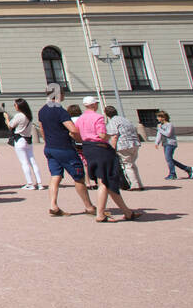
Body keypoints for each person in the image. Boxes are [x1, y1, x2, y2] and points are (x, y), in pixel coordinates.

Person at [74, 95, 141, 222]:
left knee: (107, 181)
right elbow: (102, 135)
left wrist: (84, 139)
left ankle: (127, 212)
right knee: (104, 181)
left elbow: (75, 133)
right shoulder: (98, 117)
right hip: (100, 149)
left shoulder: (80, 119)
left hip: (87, 148)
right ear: (94, 105)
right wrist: (108, 137)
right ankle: (100, 214)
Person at [38, 88, 96, 216]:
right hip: (64, 148)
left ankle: (53, 205)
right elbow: (73, 130)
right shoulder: (60, 110)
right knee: (79, 177)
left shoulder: (42, 110)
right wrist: (80, 140)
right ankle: (89, 206)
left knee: (55, 176)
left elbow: (41, 129)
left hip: (49, 148)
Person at [105, 105, 143, 190]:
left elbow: (114, 136)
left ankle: (135, 185)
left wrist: (112, 148)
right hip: (134, 143)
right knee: (132, 164)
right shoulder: (125, 119)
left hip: (123, 145)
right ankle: (139, 183)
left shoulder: (112, 122)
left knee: (127, 165)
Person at [8, 99, 41, 190]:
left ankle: (30, 183)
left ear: (19, 106)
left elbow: (10, 126)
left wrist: (6, 119)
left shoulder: (19, 115)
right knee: (32, 161)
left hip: (20, 140)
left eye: (15, 105)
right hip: (28, 140)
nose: (14, 106)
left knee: (24, 163)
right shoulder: (29, 115)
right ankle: (39, 182)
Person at [152, 110, 192, 180]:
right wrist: (156, 142)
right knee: (169, 159)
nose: (157, 118)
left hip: (171, 143)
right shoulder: (161, 125)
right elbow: (159, 134)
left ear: (163, 117)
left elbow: (168, 134)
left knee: (168, 159)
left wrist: (159, 129)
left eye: (158, 117)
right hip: (165, 144)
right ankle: (187, 168)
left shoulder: (169, 125)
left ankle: (172, 174)